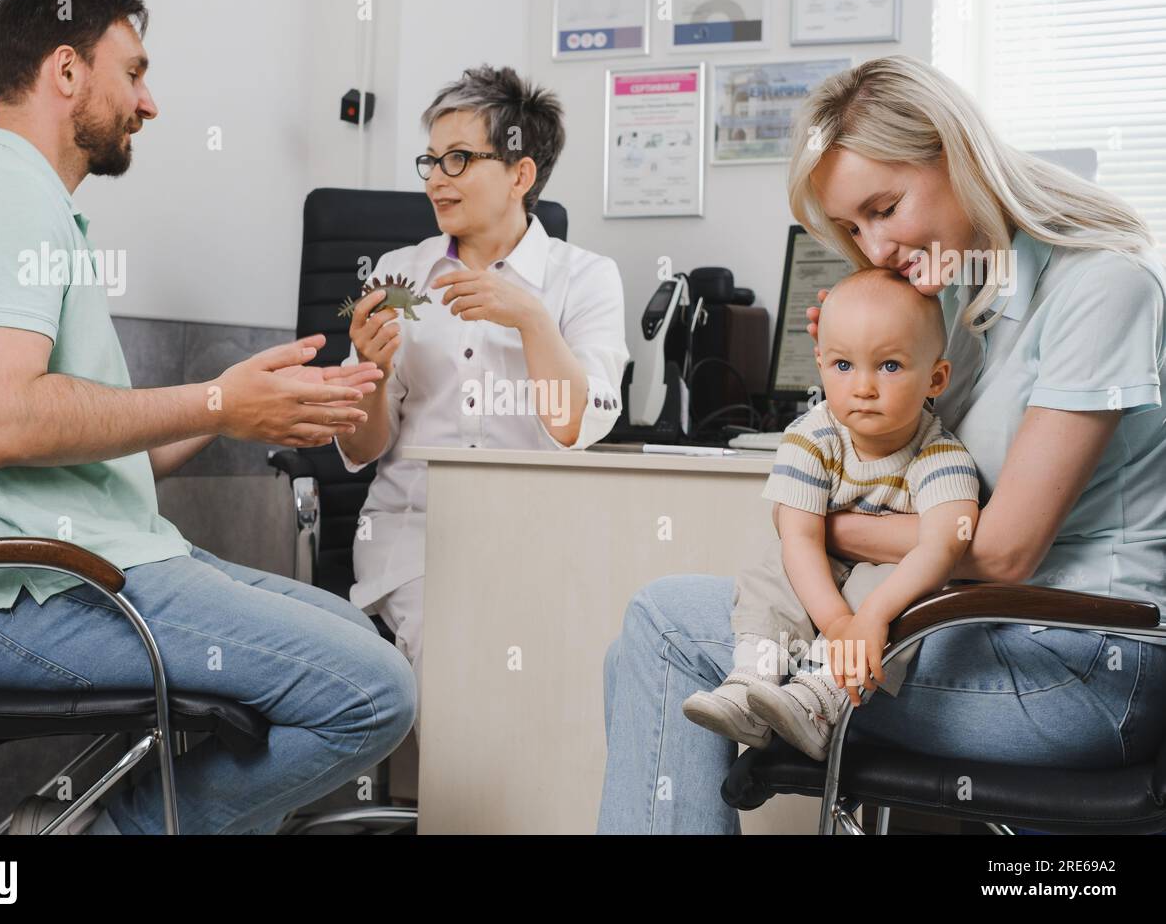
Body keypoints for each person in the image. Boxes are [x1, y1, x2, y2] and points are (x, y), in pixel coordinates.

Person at [0, 0, 415, 835]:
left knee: (350, 638)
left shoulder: (29, 206)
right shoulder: (0, 197)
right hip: (14, 600)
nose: (150, 102)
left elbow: (104, 448)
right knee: (374, 690)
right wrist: (215, 398)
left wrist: (232, 404)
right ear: (66, 71)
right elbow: (4, 420)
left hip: (77, 574)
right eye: (134, 71)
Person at [598, 54, 1166, 834]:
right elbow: (892, 473)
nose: (875, 246)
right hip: (976, 633)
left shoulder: (1101, 288)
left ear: (952, 152)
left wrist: (815, 526)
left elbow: (1001, 552)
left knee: (665, 627)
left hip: (1085, 668)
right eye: (854, 230)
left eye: (885, 207)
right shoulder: (958, 302)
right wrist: (857, 362)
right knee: (649, 653)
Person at [335, 66, 629, 728]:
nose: (437, 178)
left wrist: (530, 319)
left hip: (542, 541)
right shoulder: (399, 274)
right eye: (431, 161)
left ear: (521, 174)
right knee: (466, 672)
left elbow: (575, 427)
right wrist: (375, 373)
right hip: (418, 539)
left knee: (579, 676)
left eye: (460, 159)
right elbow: (359, 447)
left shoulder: (585, 280)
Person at [682, 268, 980, 761]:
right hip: (817, 573)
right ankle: (751, 681)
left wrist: (869, 617)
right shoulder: (812, 435)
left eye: (889, 367)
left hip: (880, 590)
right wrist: (835, 619)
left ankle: (819, 702)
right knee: (771, 566)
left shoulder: (940, 455)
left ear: (936, 377)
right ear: (820, 365)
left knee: (886, 578)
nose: (863, 387)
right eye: (844, 366)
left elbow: (943, 546)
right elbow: (797, 535)